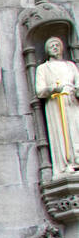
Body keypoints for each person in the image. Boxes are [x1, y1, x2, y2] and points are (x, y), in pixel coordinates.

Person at [36, 36, 79, 175]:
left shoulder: (71, 65)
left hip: (72, 102)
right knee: (61, 132)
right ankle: (64, 164)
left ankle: (77, 160)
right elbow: (40, 91)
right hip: (56, 103)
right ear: (47, 51)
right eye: (51, 46)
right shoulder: (43, 68)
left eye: (57, 45)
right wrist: (54, 88)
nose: (55, 47)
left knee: (75, 130)